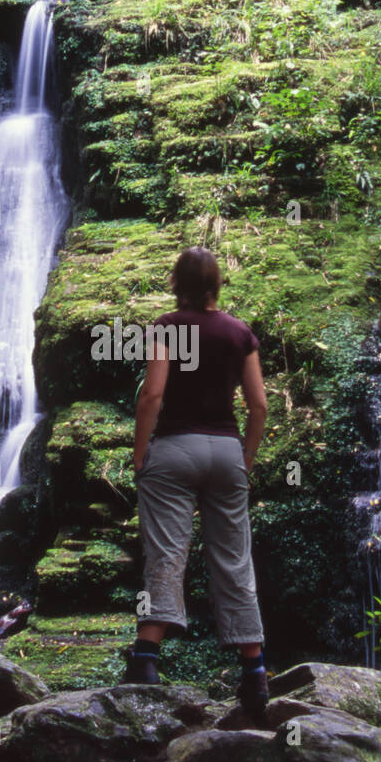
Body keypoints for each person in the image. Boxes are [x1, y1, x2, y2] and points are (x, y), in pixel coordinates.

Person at [122, 246, 270, 716]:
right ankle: (255, 672)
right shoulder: (239, 333)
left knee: (167, 551)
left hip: (174, 450)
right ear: (217, 283)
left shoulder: (168, 328)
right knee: (233, 556)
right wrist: (245, 456)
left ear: (177, 282)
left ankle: (146, 660)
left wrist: (140, 451)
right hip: (226, 452)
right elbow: (259, 405)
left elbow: (154, 393)